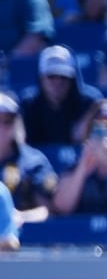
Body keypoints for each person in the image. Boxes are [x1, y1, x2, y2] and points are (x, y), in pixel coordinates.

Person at [19, 45, 101, 149]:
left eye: (64, 76)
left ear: (73, 79)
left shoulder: (90, 103)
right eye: (51, 76)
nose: (58, 82)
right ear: (41, 78)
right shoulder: (28, 104)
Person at [0, 92, 54, 225]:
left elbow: (48, 210)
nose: (1, 128)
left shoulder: (33, 161)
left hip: (23, 240)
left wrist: (19, 217)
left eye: (7, 121)